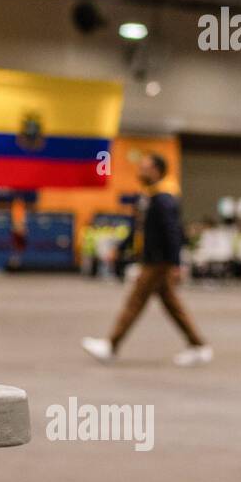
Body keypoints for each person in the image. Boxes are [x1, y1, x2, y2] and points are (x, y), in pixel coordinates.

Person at [81, 153, 212, 367]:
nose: (140, 170)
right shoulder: (149, 196)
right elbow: (137, 228)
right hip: (152, 259)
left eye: (145, 167)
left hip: (159, 262)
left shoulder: (164, 199)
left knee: (135, 301)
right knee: (172, 305)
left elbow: (173, 233)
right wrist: (120, 248)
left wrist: (176, 263)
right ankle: (198, 346)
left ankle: (111, 345)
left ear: (156, 171)